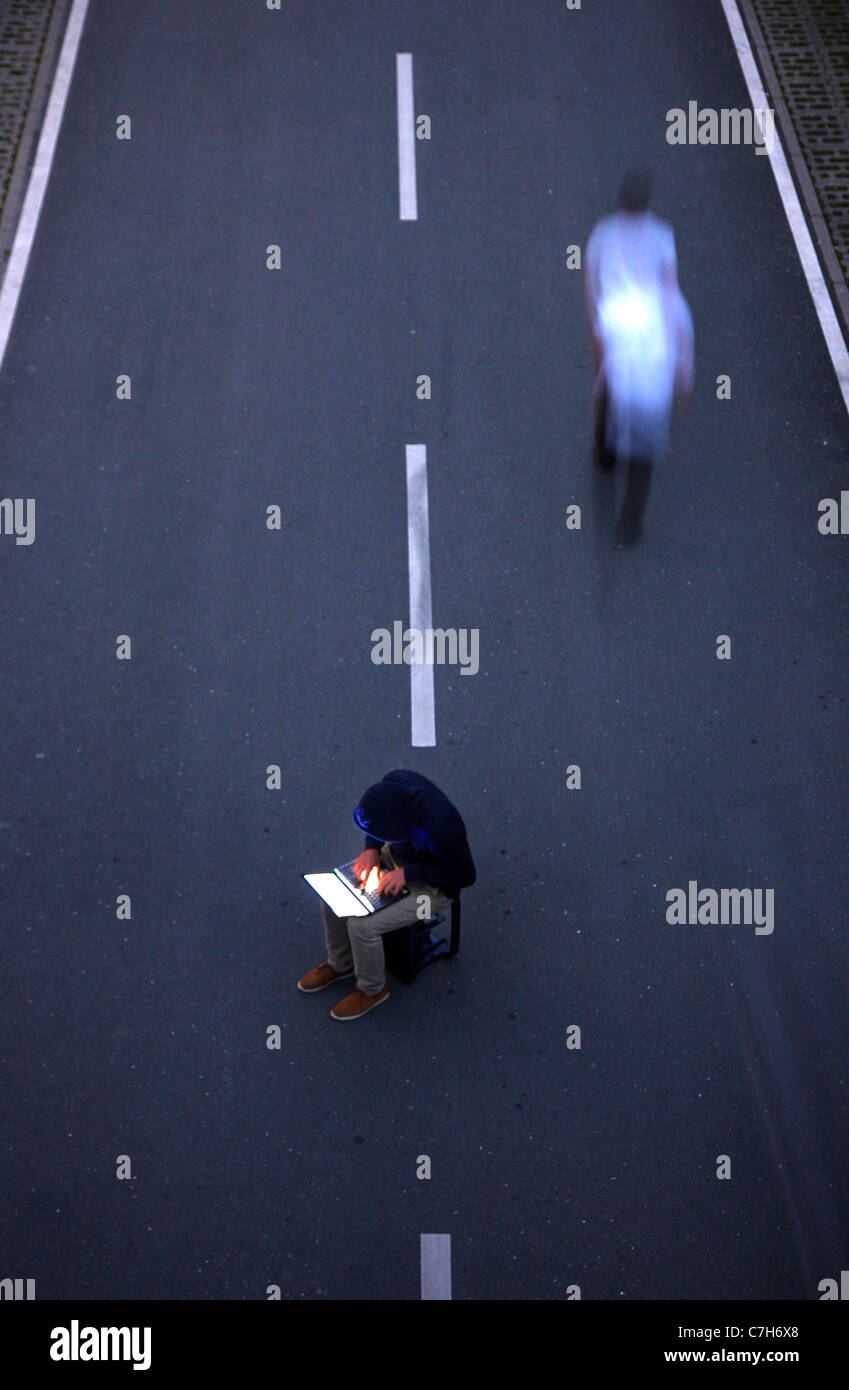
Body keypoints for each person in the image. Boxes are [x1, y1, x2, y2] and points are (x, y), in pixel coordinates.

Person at [298, 770, 476, 1021]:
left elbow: (465, 876)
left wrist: (409, 874)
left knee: (362, 927)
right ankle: (341, 963)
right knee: (332, 898)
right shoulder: (397, 781)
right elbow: (379, 822)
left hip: (433, 890)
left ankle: (373, 990)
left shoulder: (444, 830)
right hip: (398, 859)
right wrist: (371, 848)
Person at [584, 169, 694, 546]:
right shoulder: (662, 235)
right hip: (650, 334)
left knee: (605, 389)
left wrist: (596, 326)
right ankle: (629, 524)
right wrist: (683, 369)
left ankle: (604, 452)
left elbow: (591, 283)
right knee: (644, 441)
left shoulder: (603, 233)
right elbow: (671, 291)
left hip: (614, 325)